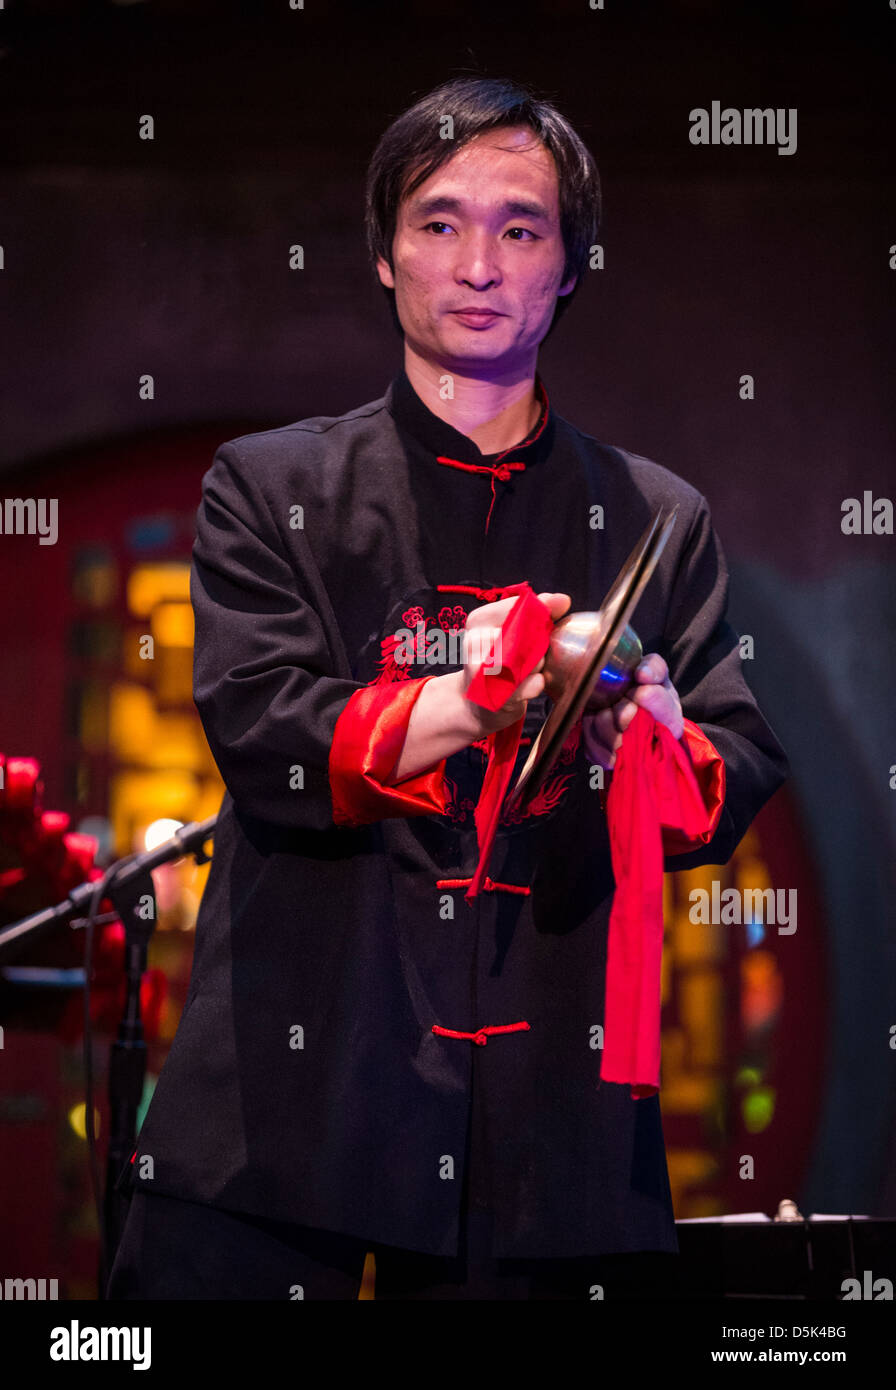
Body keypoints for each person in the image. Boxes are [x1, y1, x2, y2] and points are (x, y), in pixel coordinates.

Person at [107, 75, 788, 1301]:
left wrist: (638, 734)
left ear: (569, 267)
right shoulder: (268, 487)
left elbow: (728, 770)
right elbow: (267, 733)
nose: (476, 261)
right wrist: (483, 697)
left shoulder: (653, 516)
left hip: (551, 1142)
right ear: (381, 255)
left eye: (519, 228)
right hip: (290, 1107)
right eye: (437, 221)